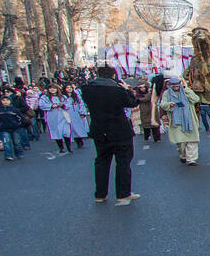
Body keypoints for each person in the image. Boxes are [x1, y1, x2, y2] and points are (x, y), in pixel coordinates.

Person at [81, 66, 140, 205]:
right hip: (119, 130)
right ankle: (123, 194)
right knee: (123, 163)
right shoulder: (118, 90)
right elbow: (132, 103)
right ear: (114, 75)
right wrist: (127, 89)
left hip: (99, 130)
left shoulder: (87, 90)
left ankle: (100, 194)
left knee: (101, 162)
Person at [159, 75, 202, 166]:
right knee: (180, 141)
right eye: (174, 86)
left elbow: (196, 99)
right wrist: (169, 104)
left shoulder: (186, 91)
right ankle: (183, 155)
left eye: (177, 86)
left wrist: (186, 90)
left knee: (192, 140)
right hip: (176, 120)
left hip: (189, 119)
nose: (176, 88)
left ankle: (192, 159)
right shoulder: (167, 93)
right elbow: (162, 104)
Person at [39, 84, 74, 154]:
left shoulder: (63, 97)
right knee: (56, 132)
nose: (52, 90)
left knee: (66, 132)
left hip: (63, 116)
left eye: (54, 88)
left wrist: (63, 105)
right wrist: (51, 106)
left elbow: (69, 104)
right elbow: (41, 105)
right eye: (51, 88)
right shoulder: (45, 97)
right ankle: (61, 147)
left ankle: (69, 147)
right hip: (52, 117)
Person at [0, 96, 26, 161]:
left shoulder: (14, 110)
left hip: (15, 128)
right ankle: (8, 155)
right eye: (3, 100)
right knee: (6, 142)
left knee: (17, 142)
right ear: (1, 101)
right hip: (4, 129)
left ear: (10, 101)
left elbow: (21, 118)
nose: (5, 102)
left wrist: (19, 125)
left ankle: (19, 153)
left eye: (7, 100)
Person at [64, 83, 89, 149]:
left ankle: (80, 140)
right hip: (68, 114)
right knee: (72, 129)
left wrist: (82, 112)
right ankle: (76, 141)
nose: (69, 89)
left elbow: (81, 104)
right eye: (67, 87)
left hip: (76, 114)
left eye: (70, 87)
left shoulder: (76, 96)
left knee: (79, 128)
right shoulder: (63, 97)